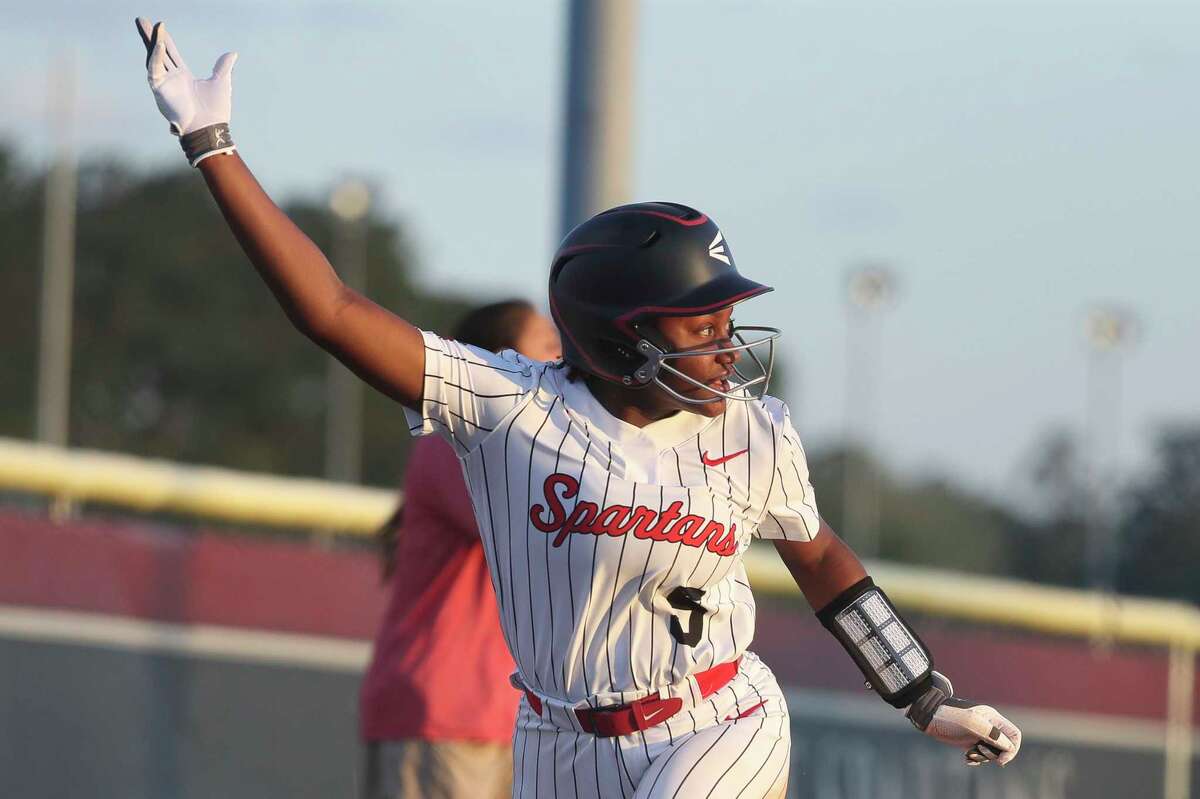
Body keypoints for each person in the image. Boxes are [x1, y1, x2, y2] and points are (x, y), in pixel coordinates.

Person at [134, 19, 1021, 798]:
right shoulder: (510, 408)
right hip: (557, 741)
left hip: (718, 716)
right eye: (703, 324)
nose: (727, 345)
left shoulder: (754, 433)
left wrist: (922, 694)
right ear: (621, 336)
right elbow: (332, 311)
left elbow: (820, 555)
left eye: (728, 321)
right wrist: (214, 147)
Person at [361, 301, 561, 799]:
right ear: (504, 359)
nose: (562, 358)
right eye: (548, 344)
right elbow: (528, 526)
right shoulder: (454, 441)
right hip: (443, 715)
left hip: (507, 720)